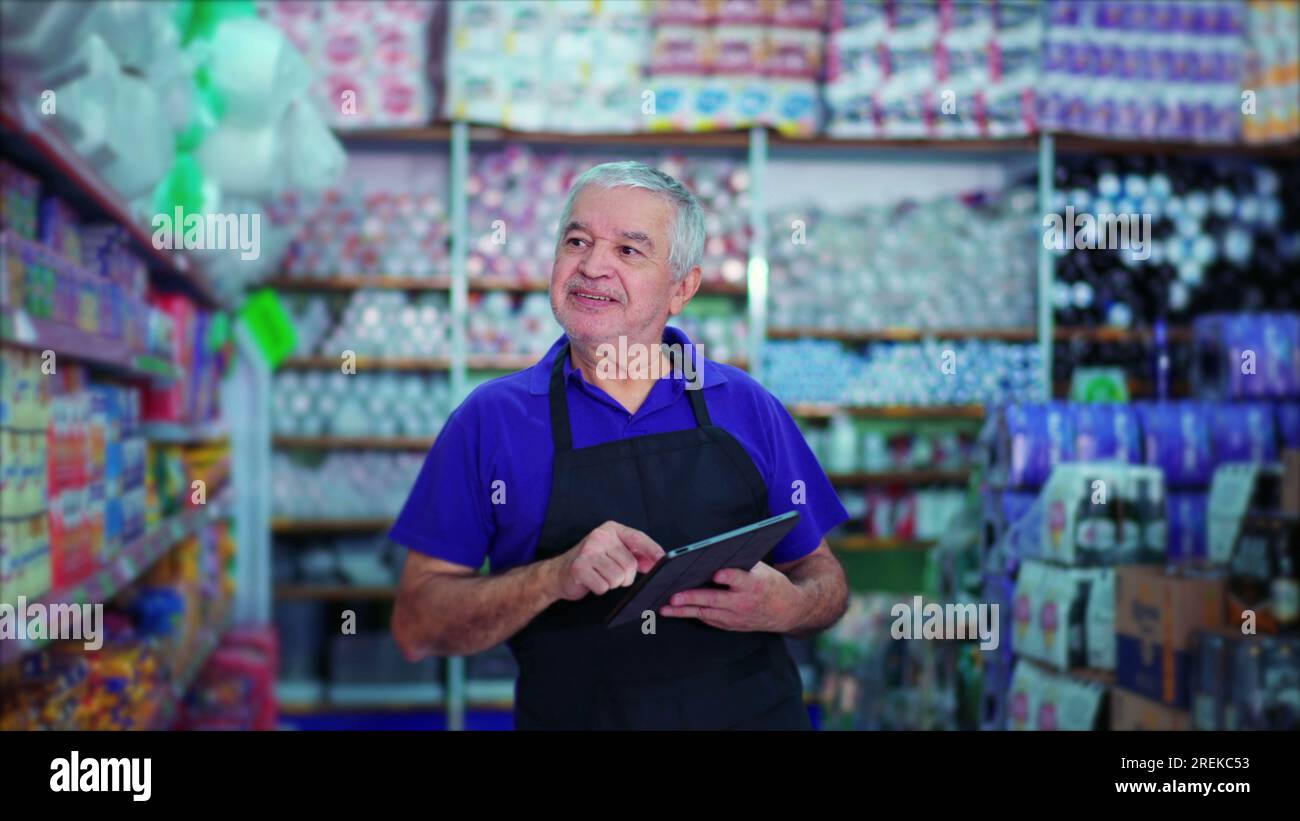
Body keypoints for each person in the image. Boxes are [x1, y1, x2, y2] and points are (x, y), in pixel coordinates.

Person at [389, 161, 849, 730]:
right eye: (577, 240)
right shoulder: (490, 421)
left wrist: (788, 606)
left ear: (682, 288)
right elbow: (417, 623)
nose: (592, 265)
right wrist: (552, 578)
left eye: (629, 251)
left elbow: (825, 581)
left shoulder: (747, 406)